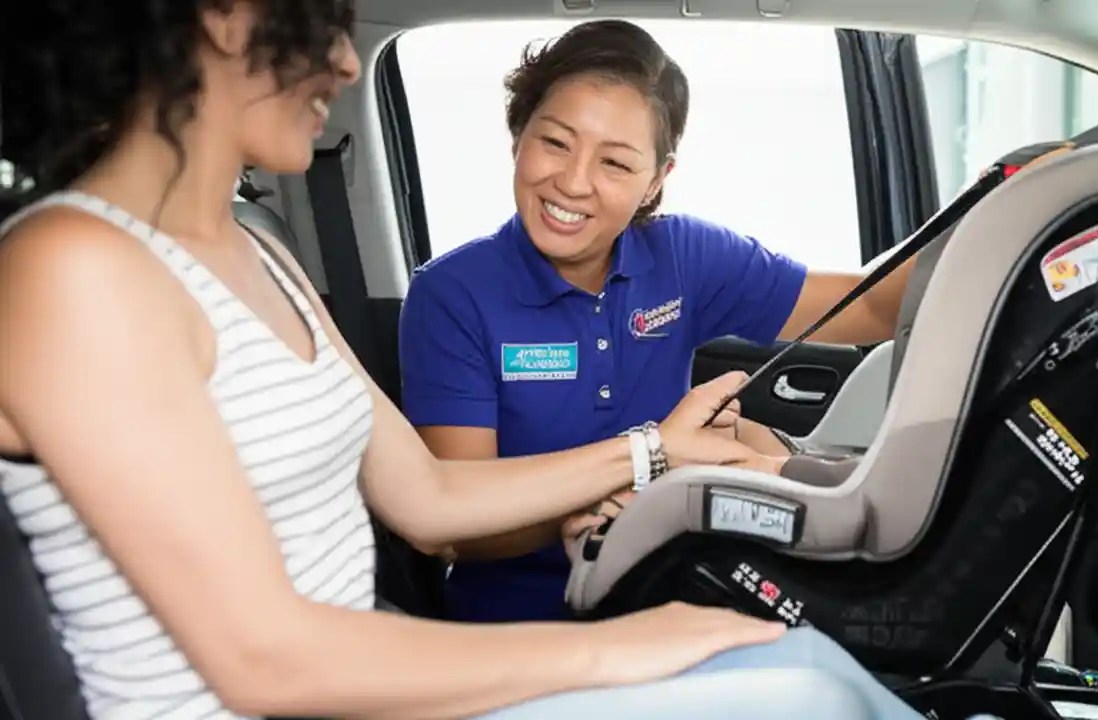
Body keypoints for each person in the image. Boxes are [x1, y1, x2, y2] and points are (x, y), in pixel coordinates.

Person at [0, 2, 936, 719]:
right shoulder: (74, 267)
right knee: (801, 686)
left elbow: (428, 497)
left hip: (364, 682)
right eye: (322, 17)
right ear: (221, 16)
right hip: (311, 688)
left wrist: (656, 454)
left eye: (616, 162)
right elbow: (264, 659)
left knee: (805, 670)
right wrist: (632, 644)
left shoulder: (259, 257)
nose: (342, 58)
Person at [399, 18, 917, 623]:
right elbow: (461, 527)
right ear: (518, 135)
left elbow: (874, 304)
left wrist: (1015, 227)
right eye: (555, 142)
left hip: (679, 603)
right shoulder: (451, 295)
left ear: (655, 182)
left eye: (616, 164)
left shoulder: (684, 257)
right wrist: (649, 476)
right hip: (520, 630)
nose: (572, 182)